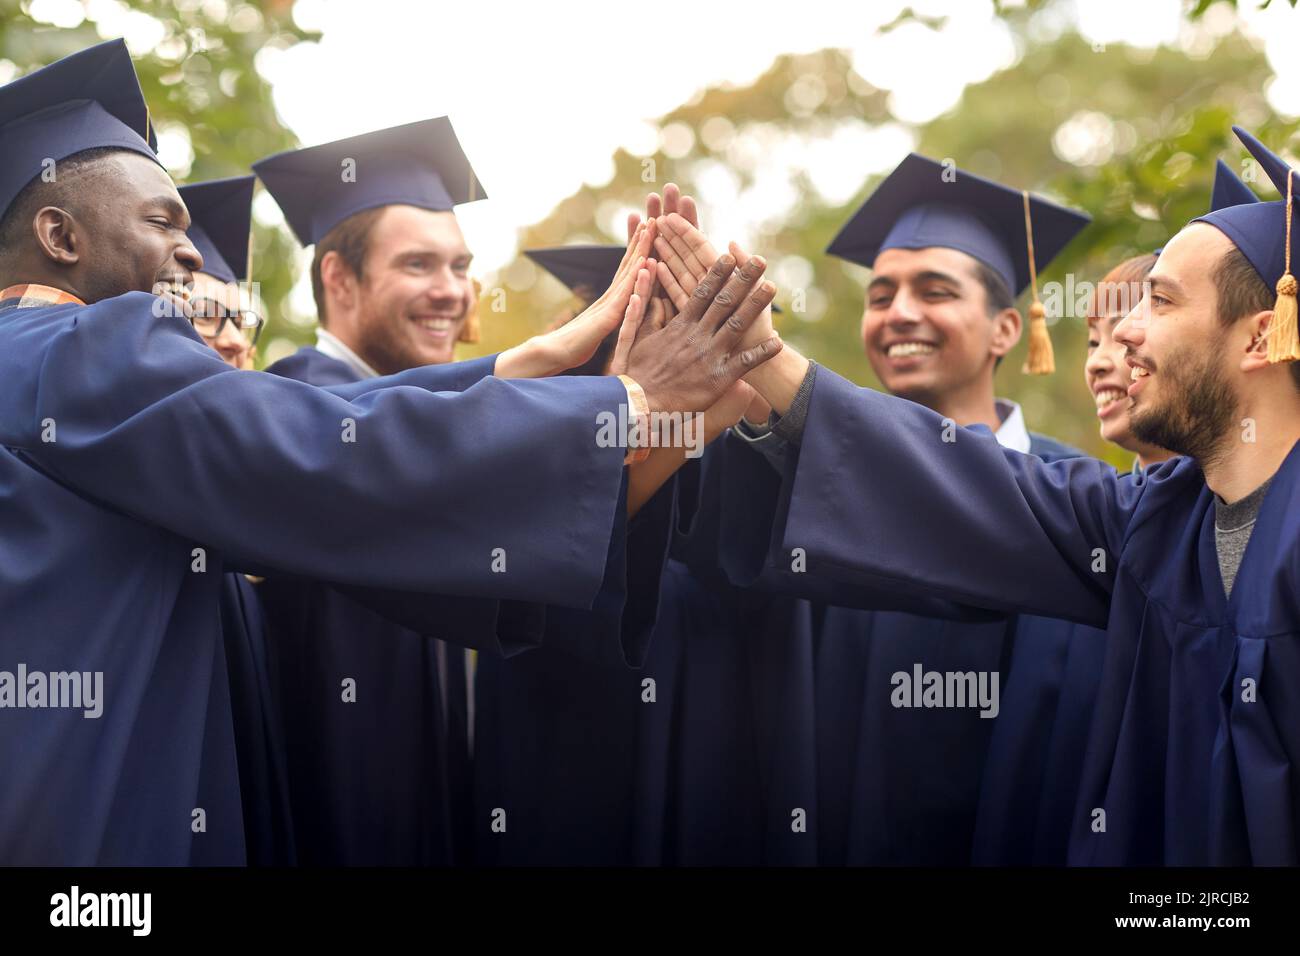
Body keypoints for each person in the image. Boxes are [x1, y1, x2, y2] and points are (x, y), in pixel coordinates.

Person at [0, 41, 780, 865]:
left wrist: (530, 362)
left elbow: (299, 420)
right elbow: (319, 445)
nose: (192, 255)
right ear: (59, 233)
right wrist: (630, 402)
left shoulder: (38, 363)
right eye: (163, 221)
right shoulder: (86, 347)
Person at [686, 125, 1300, 865]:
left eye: (1160, 302)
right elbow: (984, 488)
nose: (1123, 335)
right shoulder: (1157, 518)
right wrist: (761, 355)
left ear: (1261, 338)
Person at [659, 154, 1108, 864]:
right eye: (881, 295)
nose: (900, 313)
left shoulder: (1084, 505)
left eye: (935, 291)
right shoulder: (803, 491)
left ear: (1006, 330)